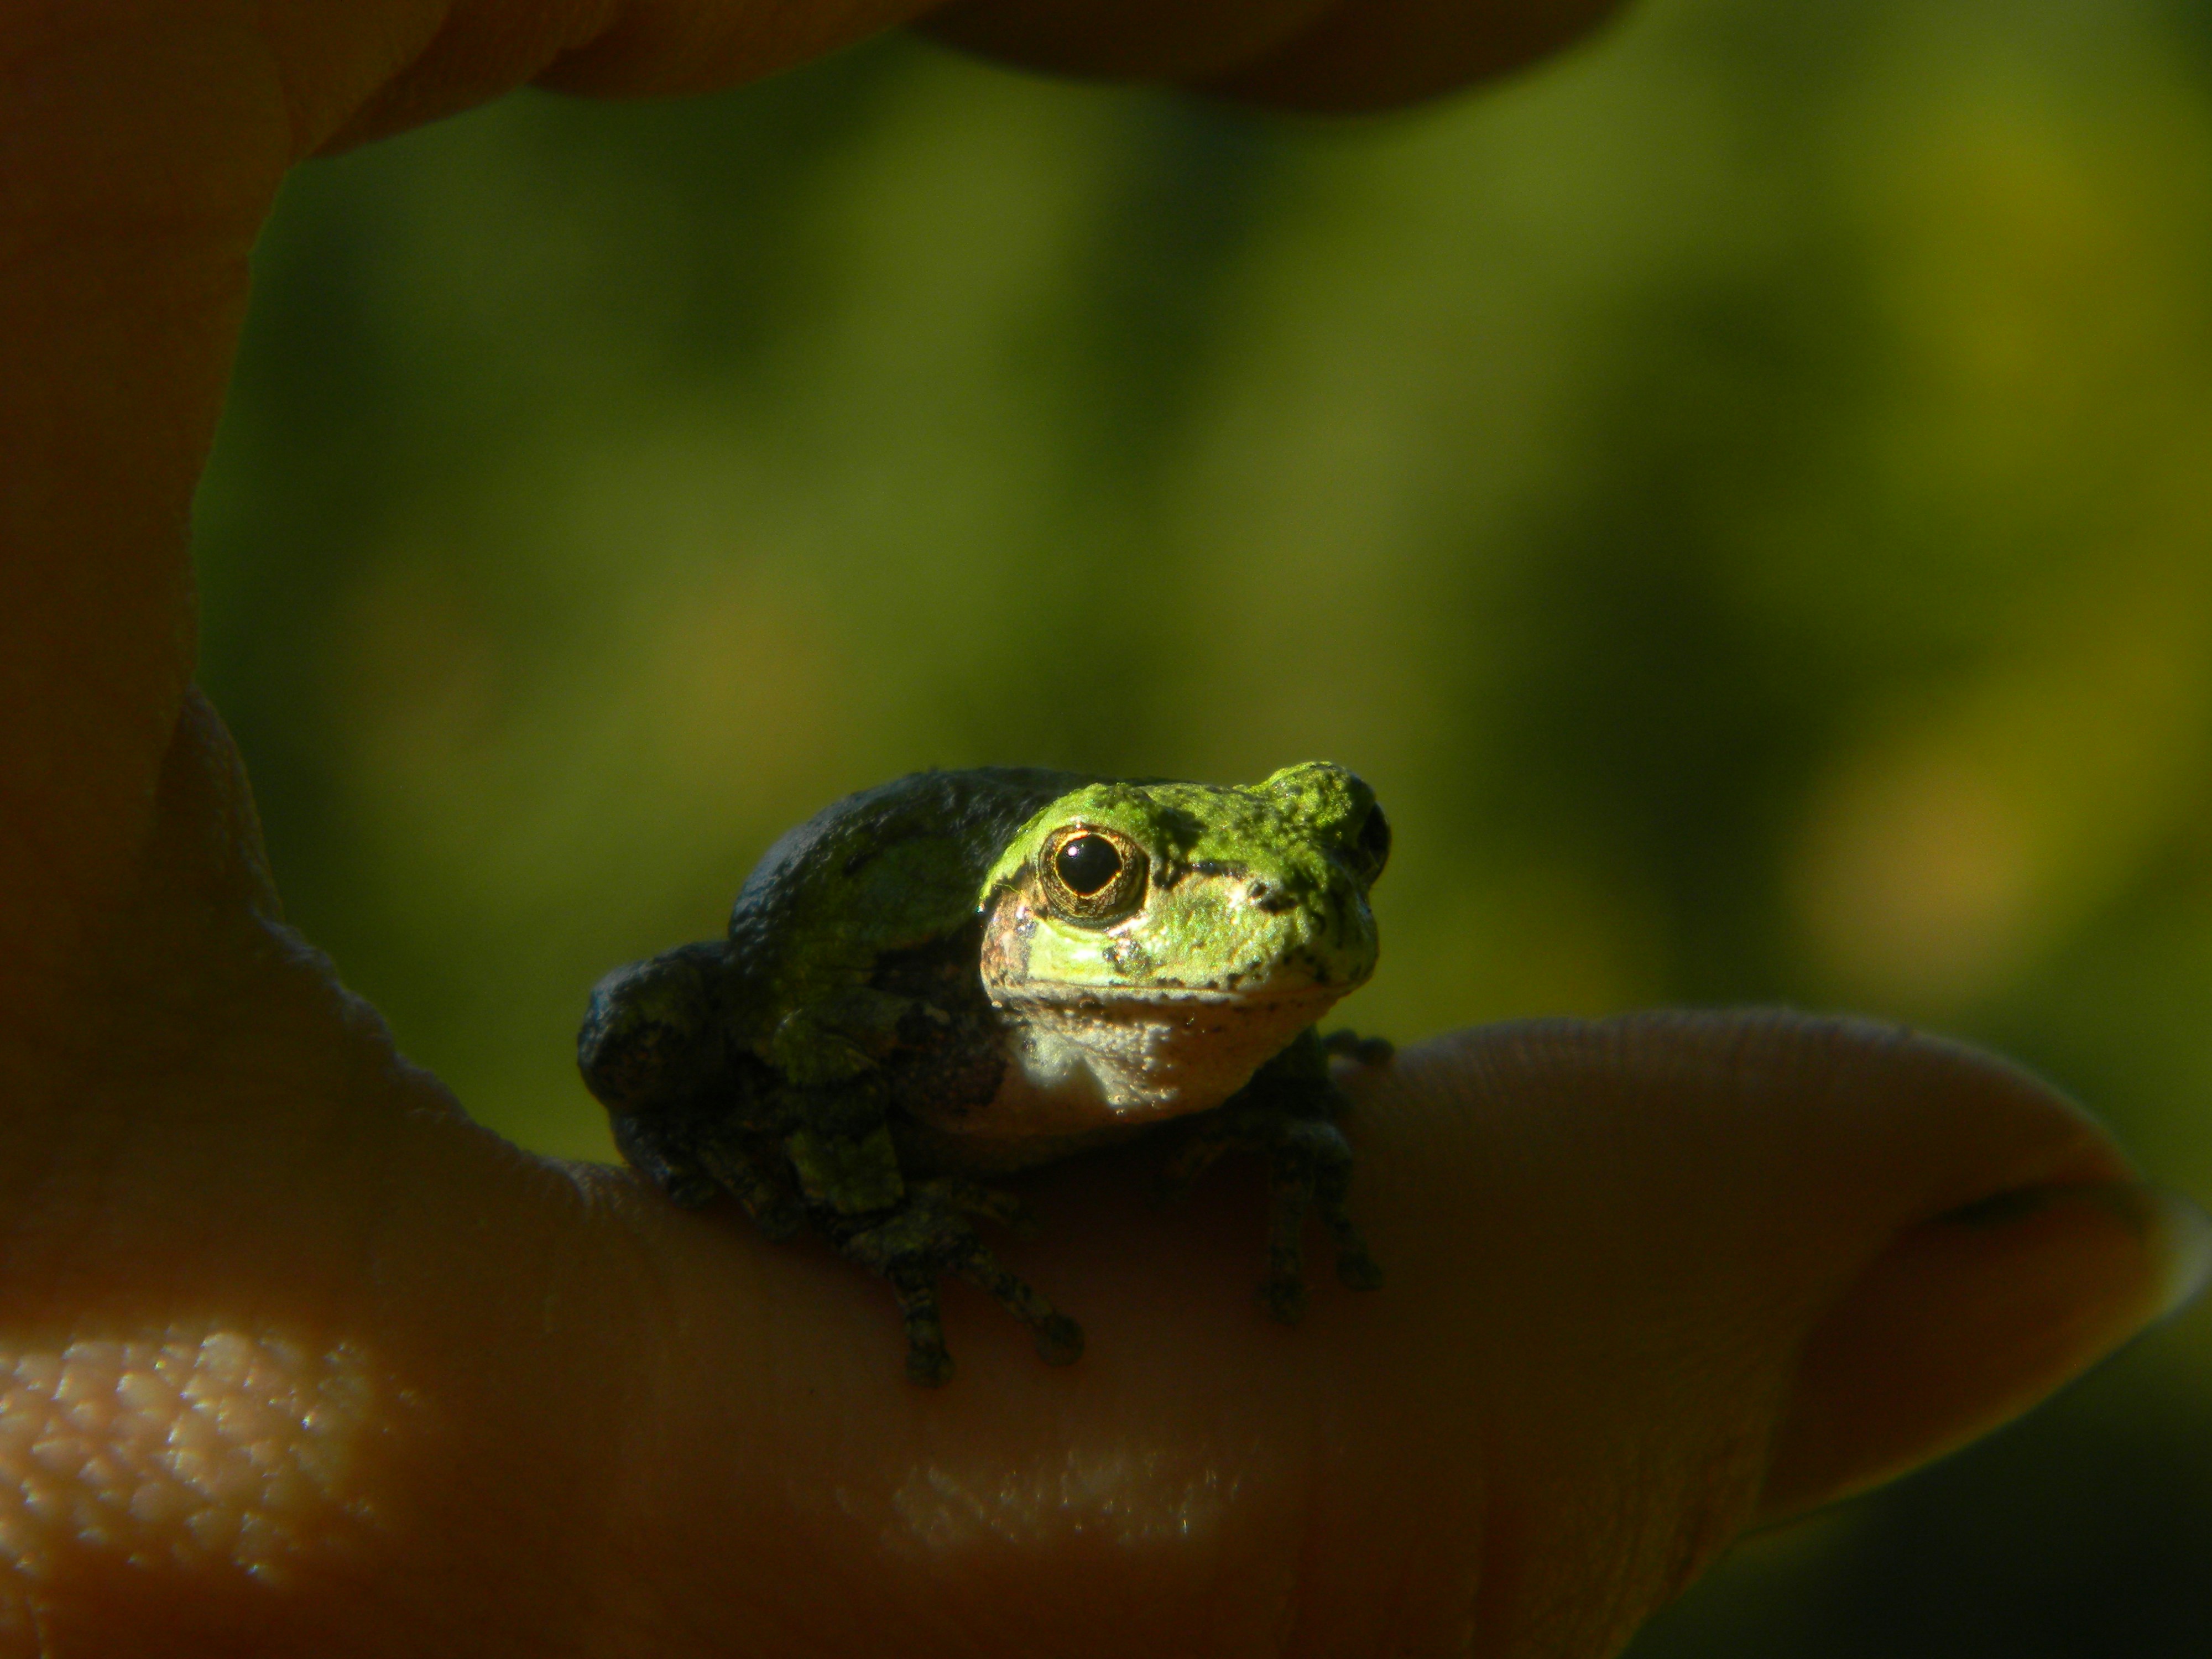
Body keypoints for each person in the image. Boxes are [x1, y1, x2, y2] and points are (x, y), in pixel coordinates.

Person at [0, 2, 2198, 1651]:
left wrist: (1280, 1108)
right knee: (654, 1027)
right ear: (1056, 912)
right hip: (823, 988)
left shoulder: (1239, 984)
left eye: (1334, 859)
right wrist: (890, 1223)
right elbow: (711, 1039)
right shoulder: (952, 1012)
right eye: (1126, 886)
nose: (1276, 902)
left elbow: (1269, 961)